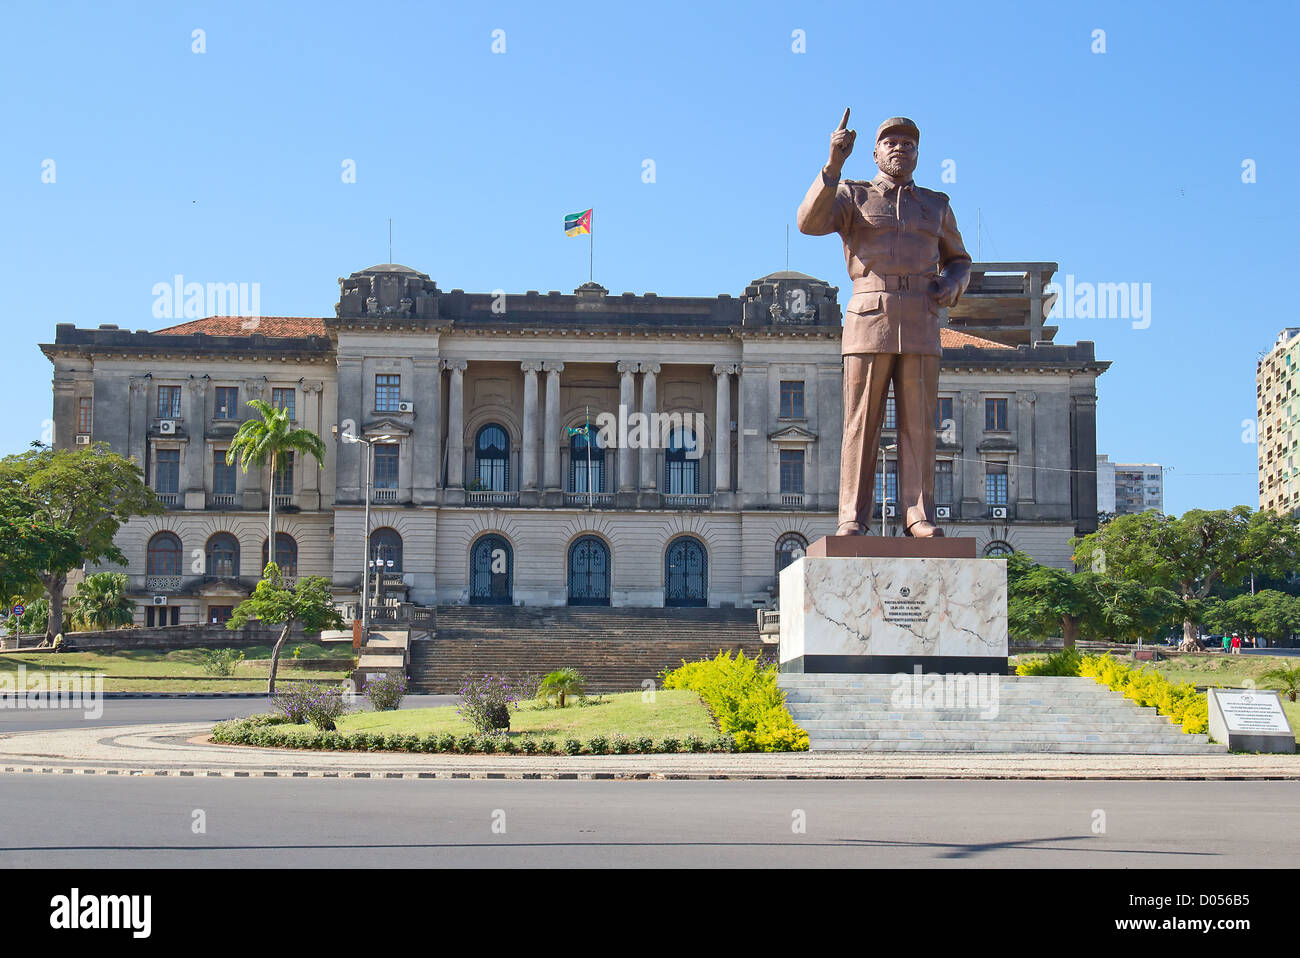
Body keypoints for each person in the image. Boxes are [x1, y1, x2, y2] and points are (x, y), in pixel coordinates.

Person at [797, 112, 971, 537]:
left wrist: (953, 281)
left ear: (917, 154)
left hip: (921, 316)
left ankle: (918, 515)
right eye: (890, 142)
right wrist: (833, 164)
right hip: (869, 315)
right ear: (875, 152)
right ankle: (852, 517)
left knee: (919, 426)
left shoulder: (936, 205)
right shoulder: (852, 195)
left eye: (908, 143)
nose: (899, 148)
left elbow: (960, 258)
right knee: (861, 423)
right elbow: (808, 222)